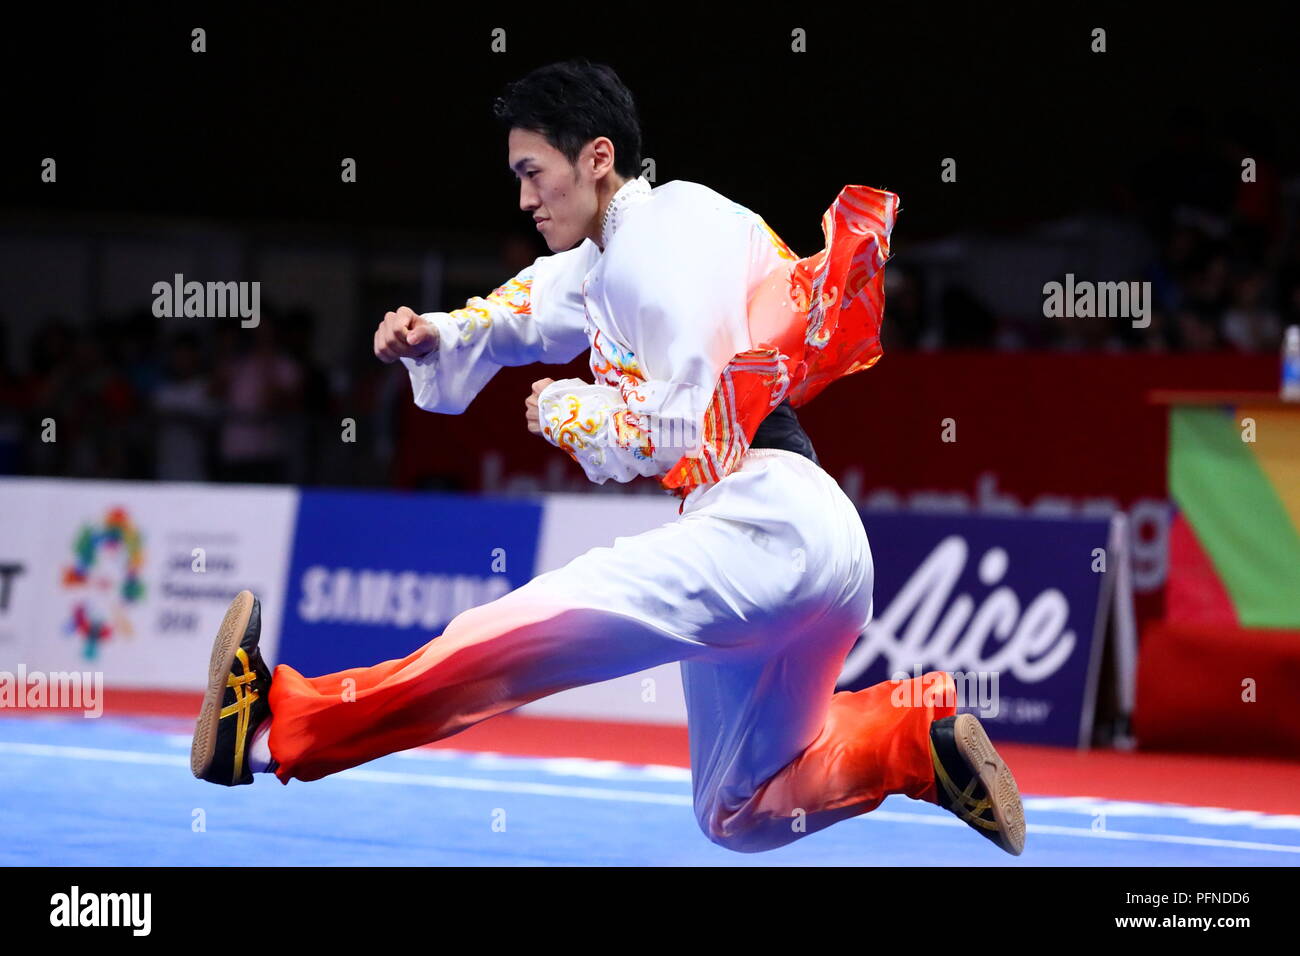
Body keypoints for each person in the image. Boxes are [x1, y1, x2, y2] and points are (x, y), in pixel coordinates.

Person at [191, 58, 1025, 856]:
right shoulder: (615, 252)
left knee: (500, 640)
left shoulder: (657, 250)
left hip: (763, 525)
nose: (522, 197)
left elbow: (685, 428)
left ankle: (270, 729)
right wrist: (432, 334)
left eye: (532, 171)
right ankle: (912, 741)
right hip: (815, 547)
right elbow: (523, 311)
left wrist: (570, 409)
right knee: (736, 810)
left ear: (597, 158)